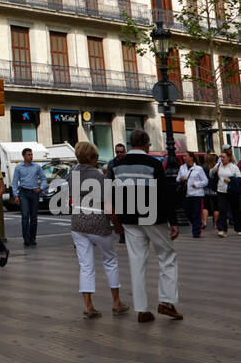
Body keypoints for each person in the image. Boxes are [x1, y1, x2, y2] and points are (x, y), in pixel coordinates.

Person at [106, 128, 181, 322]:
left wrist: (116, 221)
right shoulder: (153, 163)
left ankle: (142, 309)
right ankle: (166, 301)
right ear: (146, 143)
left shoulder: (117, 165)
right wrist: (173, 222)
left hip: (129, 219)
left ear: (130, 144)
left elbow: (110, 195)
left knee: (137, 262)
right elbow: (164, 193)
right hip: (154, 217)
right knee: (167, 256)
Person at [58, 140, 129, 318]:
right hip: (98, 223)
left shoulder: (72, 175)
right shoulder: (99, 177)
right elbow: (108, 206)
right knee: (110, 260)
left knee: (86, 265)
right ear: (93, 157)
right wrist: (118, 225)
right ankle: (116, 302)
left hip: (78, 223)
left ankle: (88, 305)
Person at [12, 148, 47, 246]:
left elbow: (44, 179)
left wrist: (41, 188)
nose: (31, 156)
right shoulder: (18, 168)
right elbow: (15, 182)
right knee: (25, 215)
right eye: (28, 154)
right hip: (23, 192)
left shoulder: (37, 167)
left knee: (34, 217)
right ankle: (26, 238)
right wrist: (15, 195)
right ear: (23, 156)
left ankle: (33, 238)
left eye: (31, 154)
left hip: (34, 193)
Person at [178, 154, 208, 237]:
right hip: (186, 194)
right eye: (183, 156)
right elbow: (177, 178)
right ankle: (198, 223)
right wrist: (180, 179)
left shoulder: (199, 169)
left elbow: (205, 181)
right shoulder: (182, 167)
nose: (184, 157)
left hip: (197, 194)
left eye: (186, 156)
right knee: (188, 212)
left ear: (191, 158)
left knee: (196, 213)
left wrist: (197, 184)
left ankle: (196, 232)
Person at [214, 146, 241, 236]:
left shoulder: (233, 167)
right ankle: (222, 230)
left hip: (232, 191)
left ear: (229, 158)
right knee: (222, 210)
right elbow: (211, 174)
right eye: (220, 157)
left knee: (235, 210)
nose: (221, 159)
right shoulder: (218, 165)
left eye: (223, 157)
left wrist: (230, 180)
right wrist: (213, 170)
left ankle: (238, 228)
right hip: (221, 190)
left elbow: (239, 179)